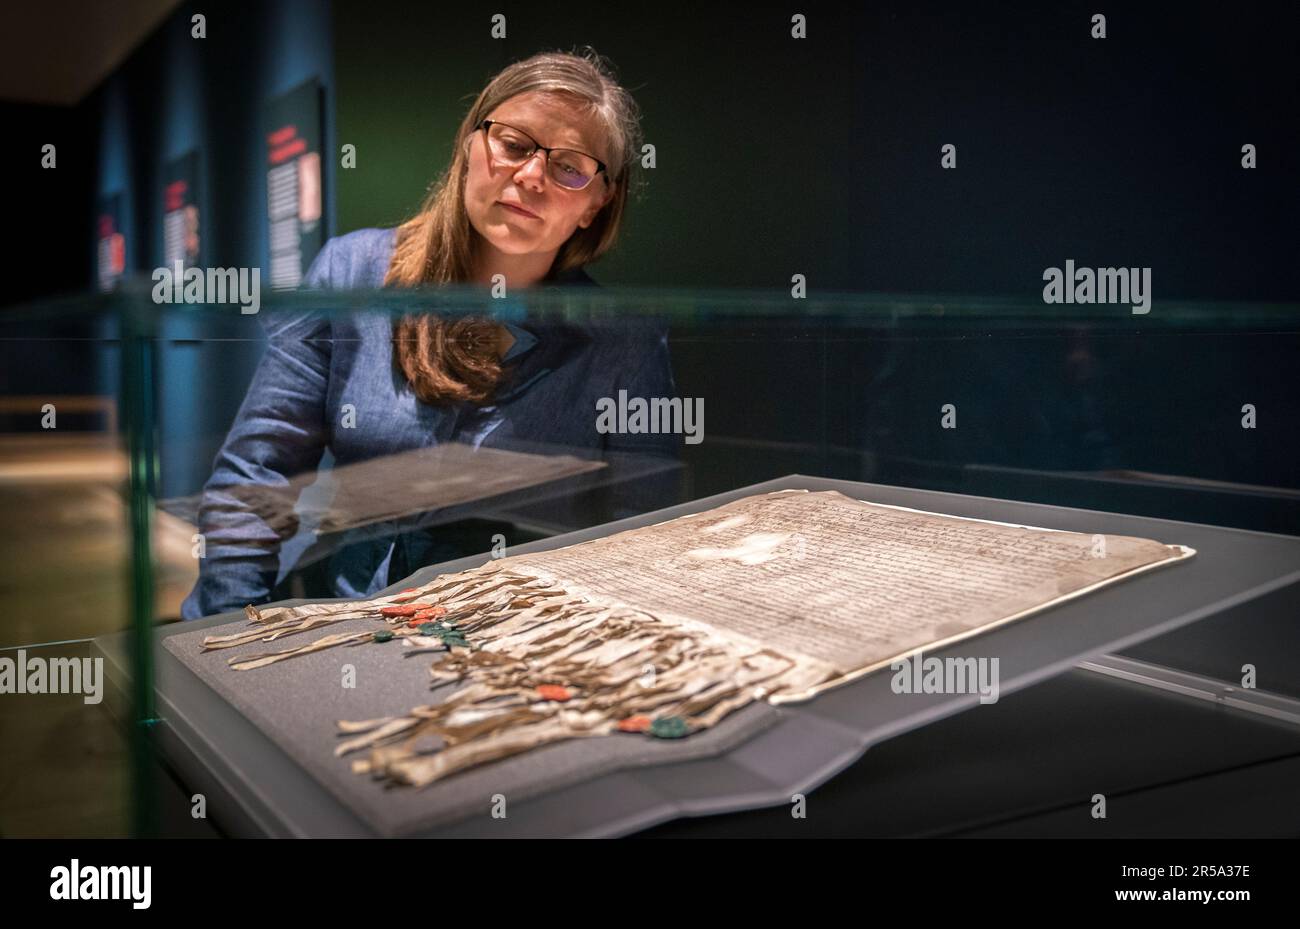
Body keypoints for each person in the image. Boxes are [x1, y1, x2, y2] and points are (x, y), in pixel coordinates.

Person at [181, 49, 677, 620]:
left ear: (597, 202)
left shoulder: (625, 340)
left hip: (513, 650)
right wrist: (231, 625)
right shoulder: (352, 272)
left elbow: (639, 537)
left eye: (569, 167)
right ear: (470, 145)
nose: (531, 176)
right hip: (341, 620)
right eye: (513, 144)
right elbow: (255, 472)